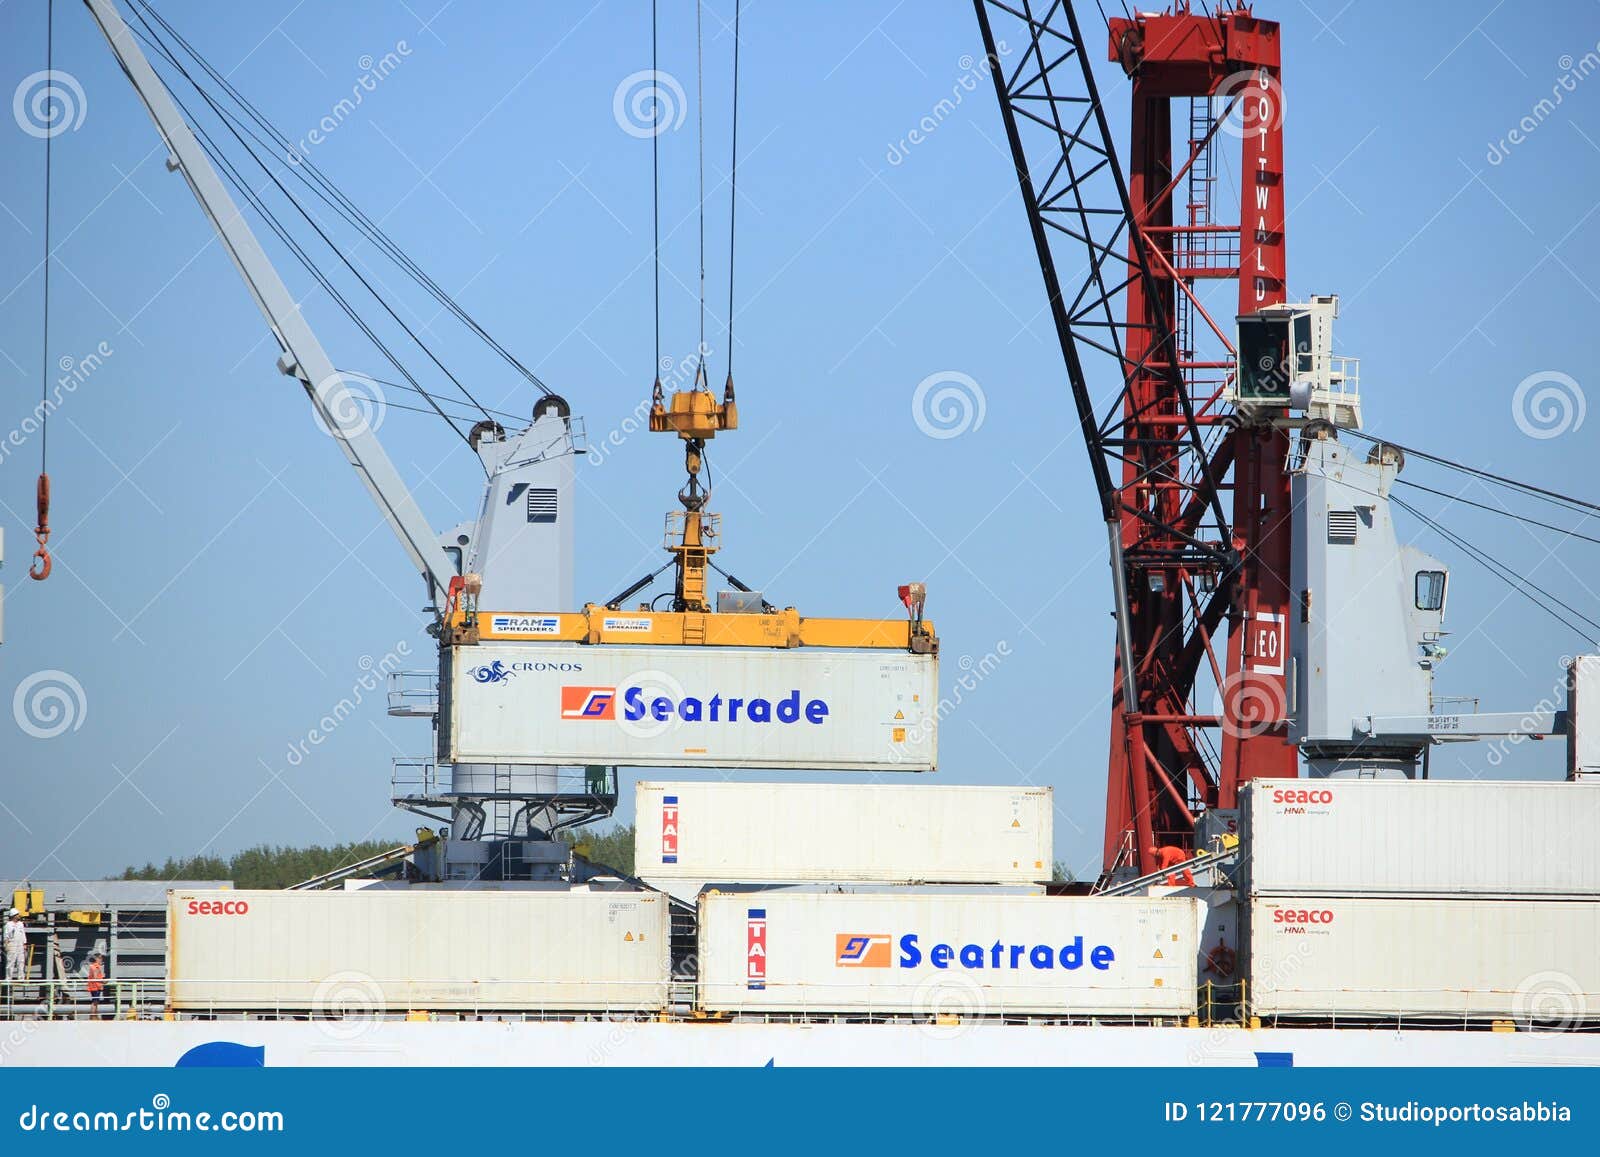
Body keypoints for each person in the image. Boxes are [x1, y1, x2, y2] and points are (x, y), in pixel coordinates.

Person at [3, 910, 27, 998]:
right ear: (13, 916)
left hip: (20, 944)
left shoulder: (21, 924)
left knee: (21, 961)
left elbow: (23, 934)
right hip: (12, 943)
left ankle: (21, 977)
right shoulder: (8, 925)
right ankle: (8, 978)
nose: (18, 916)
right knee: (11, 962)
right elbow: (6, 935)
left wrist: (24, 943)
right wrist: (6, 945)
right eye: (17, 914)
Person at [85, 951, 106, 1018]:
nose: (101, 959)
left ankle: (94, 1015)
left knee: (95, 1001)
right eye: (100, 958)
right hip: (95, 987)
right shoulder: (95, 967)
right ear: (96, 959)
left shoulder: (93, 966)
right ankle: (93, 1015)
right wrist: (103, 981)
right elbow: (95, 977)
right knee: (95, 1002)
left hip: (95, 986)